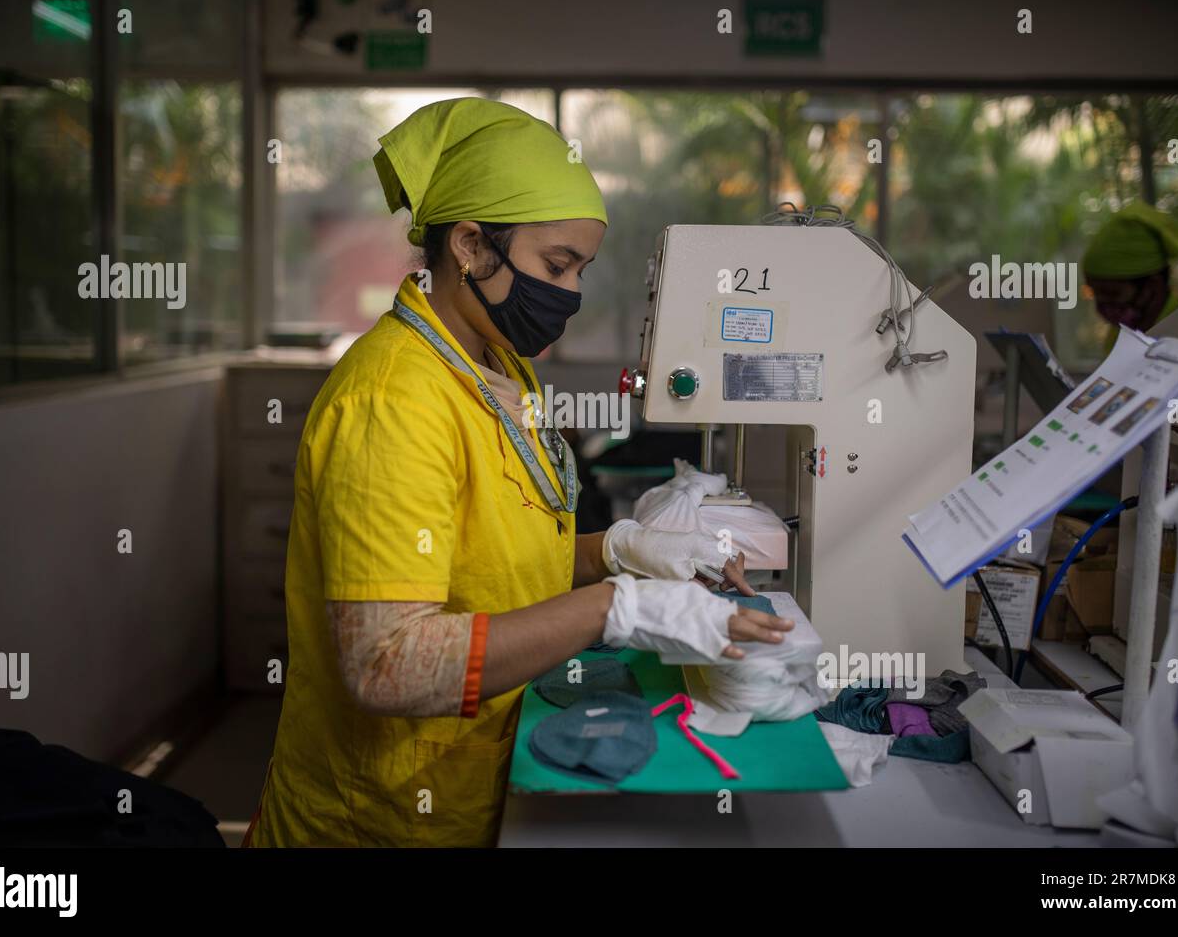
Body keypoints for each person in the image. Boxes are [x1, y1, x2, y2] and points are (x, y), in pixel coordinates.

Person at [245, 98, 788, 847]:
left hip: (475, 787)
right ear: (469, 245)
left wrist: (617, 548)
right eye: (555, 265)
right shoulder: (393, 401)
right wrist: (613, 606)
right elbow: (387, 664)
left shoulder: (503, 368)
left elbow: (496, 563)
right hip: (380, 818)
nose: (568, 292)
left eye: (581, 270)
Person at [1082, 201, 1178, 350]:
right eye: (1094, 292)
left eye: (1112, 293)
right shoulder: (1118, 335)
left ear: (1153, 285)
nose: (1102, 305)